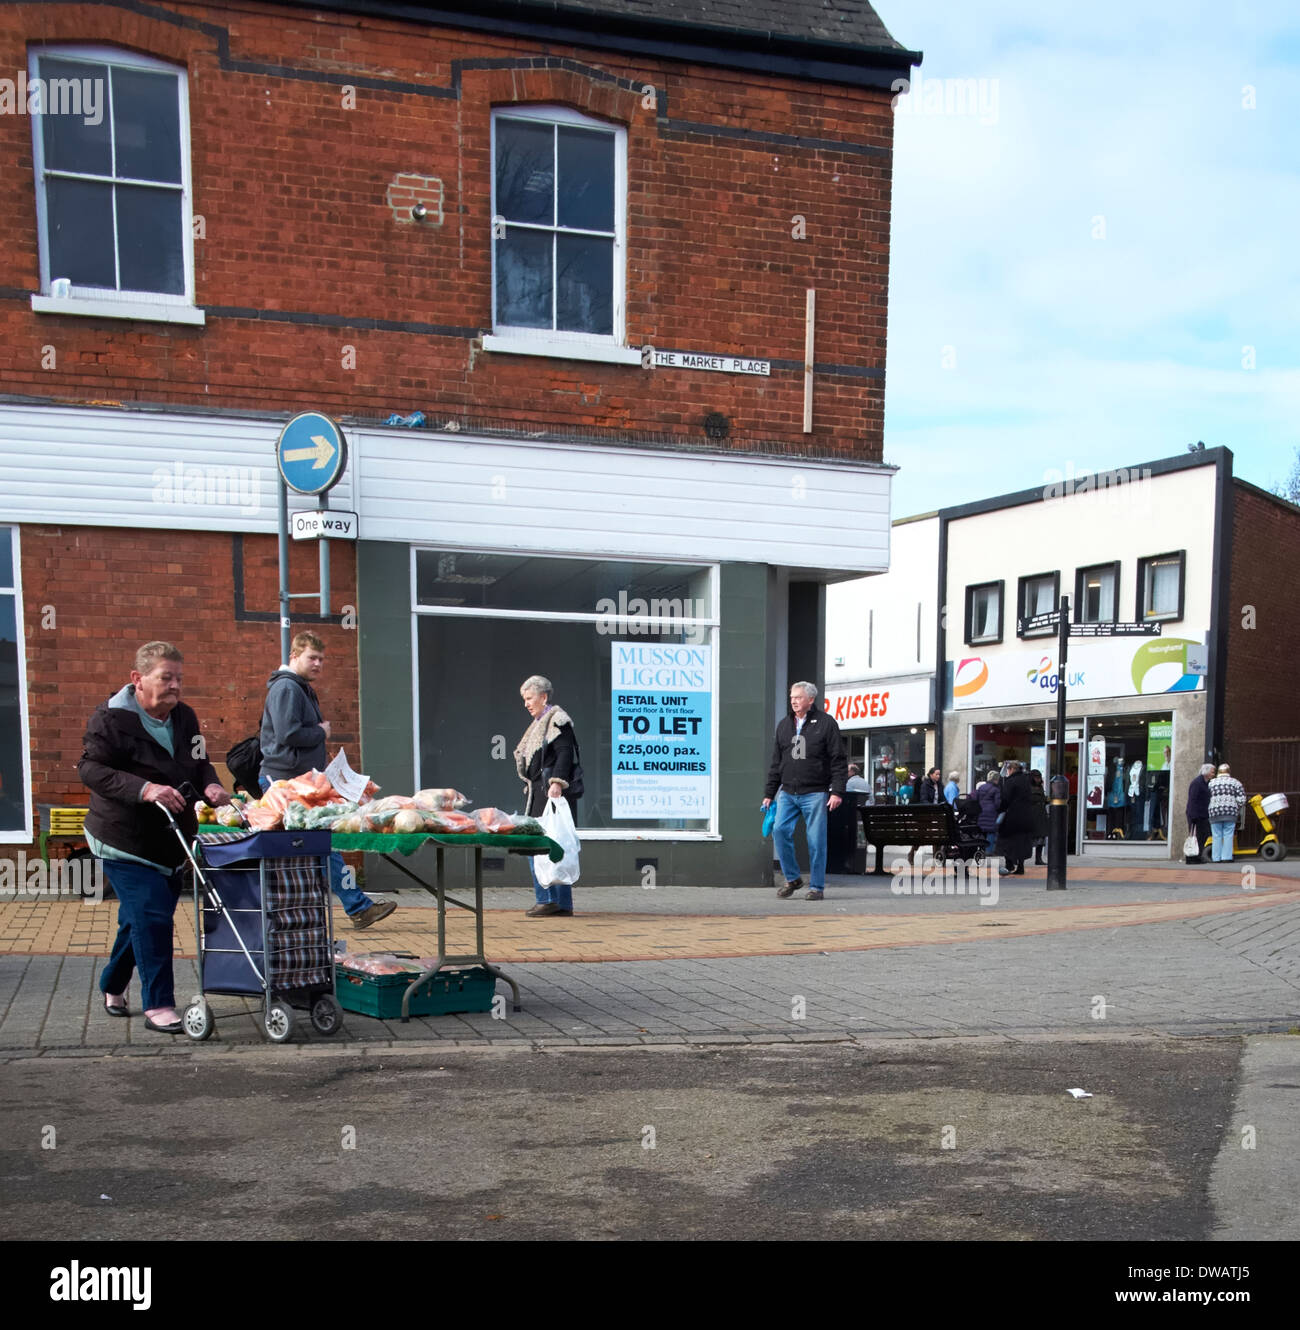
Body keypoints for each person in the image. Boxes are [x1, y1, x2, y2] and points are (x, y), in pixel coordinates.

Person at [78, 642, 232, 1033]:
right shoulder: (109, 720)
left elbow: (199, 763)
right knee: (153, 917)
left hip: (169, 839)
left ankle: (112, 985)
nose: (175, 686)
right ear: (138, 679)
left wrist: (212, 787)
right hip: (121, 838)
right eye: (166, 677)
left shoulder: (185, 717)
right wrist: (144, 788)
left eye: (179, 678)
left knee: (137, 919)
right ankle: (159, 1006)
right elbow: (91, 770)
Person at [260, 630, 394, 928]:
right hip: (285, 784)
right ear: (294, 656)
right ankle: (356, 907)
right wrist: (322, 732)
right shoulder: (287, 689)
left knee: (313, 848)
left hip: (298, 782)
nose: (318, 664)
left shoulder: (300, 688)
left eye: (322, 659)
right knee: (321, 846)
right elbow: (287, 734)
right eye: (312, 658)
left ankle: (338, 909)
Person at [763, 682, 847, 901]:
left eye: (798, 697)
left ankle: (817, 887)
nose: (793, 700)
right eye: (792, 697)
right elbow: (776, 763)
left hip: (815, 792)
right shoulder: (784, 725)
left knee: (816, 841)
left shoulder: (826, 723)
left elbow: (838, 759)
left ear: (810, 700)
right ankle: (793, 878)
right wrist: (770, 793)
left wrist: (837, 791)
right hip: (788, 792)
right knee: (780, 831)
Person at [515, 674, 580, 917]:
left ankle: (549, 900)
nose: (526, 703)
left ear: (543, 697)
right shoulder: (541, 722)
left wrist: (557, 783)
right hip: (539, 794)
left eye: (529, 698)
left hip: (549, 794)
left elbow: (565, 753)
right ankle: (560, 903)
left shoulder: (557, 721)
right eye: (524, 699)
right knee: (553, 846)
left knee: (542, 846)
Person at [1207, 763, 1247, 863]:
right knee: (1228, 835)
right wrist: (1235, 805)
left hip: (1214, 812)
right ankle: (1226, 857)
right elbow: (1242, 799)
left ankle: (1216, 858)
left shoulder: (1211, 783)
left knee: (1216, 835)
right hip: (1230, 812)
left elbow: (1206, 798)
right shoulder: (1235, 783)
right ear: (1229, 771)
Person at [1185, 763, 1215, 863]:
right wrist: (1193, 815)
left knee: (1203, 835)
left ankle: (1197, 855)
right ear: (1206, 772)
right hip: (1196, 815)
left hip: (1202, 814)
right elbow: (1192, 799)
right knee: (1196, 836)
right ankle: (1192, 857)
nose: (1213, 774)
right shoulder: (1197, 783)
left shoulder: (1205, 783)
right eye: (1212, 772)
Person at [975, 768, 1002, 854]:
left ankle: (981, 850)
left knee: (982, 831)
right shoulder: (996, 789)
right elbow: (998, 804)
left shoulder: (981, 787)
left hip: (981, 812)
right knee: (991, 832)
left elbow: (976, 799)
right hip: (991, 813)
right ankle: (988, 851)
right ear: (996, 779)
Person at [1028, 769, 1049, 866]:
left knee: (1041, 838)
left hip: (1041, 813)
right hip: (1032, 814)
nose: (1038, 779)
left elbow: (1042, 799)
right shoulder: (1028, 787)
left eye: (1039, 777)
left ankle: (1038, 858)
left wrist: (1045, 800)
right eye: (1036, 777)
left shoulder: (1040, 787)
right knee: (1029, 838)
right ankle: (1020, 859)